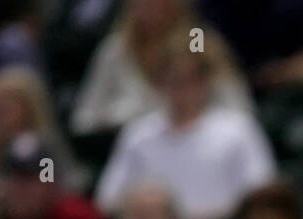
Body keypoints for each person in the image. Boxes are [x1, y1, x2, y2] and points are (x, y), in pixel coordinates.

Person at [95, 33, 276, 219]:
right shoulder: (138, 134)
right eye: (174, 80)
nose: (183, 89)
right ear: (159, 82)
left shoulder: (238, 129)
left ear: (206, 80)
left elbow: (262, 196)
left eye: (192, 79)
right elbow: (108, 200)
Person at [71, 0, 253, 137]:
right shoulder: (115, 50)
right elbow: (83, 120)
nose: (149, 4)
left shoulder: (199, 44)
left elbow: (239, 109)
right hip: (136, 153)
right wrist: (124, 118)